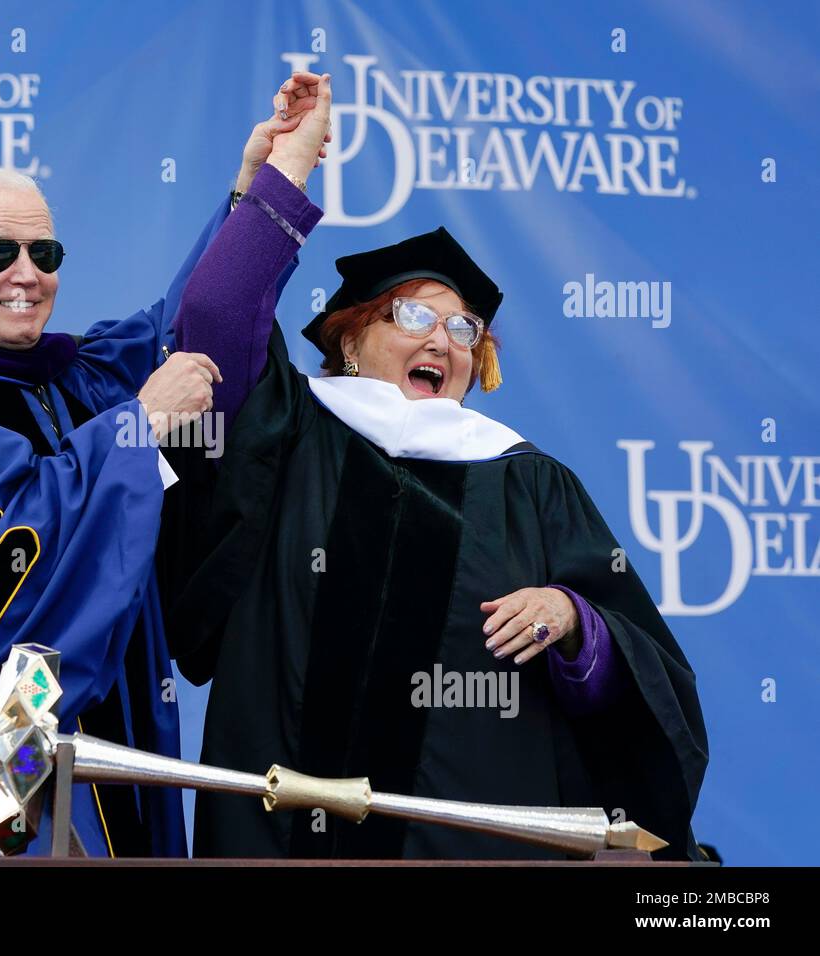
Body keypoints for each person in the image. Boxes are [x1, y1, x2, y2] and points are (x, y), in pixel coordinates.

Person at [161, 77, 708, 861]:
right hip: (279, 836)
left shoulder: (528, 484)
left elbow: (651, 680)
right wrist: (286, 171)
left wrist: (573, 619)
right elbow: (212, 319)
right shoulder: (285, 431)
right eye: (413, 315)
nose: (445, 340)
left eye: (464, 328)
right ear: (349, 340)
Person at [0, 81, 329, 858]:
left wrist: (266, 183)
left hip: (116, 757)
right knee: (27, 845)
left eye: (44, 253)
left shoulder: (75, 377)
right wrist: (138, 432)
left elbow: (191, 329)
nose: (27, 273)